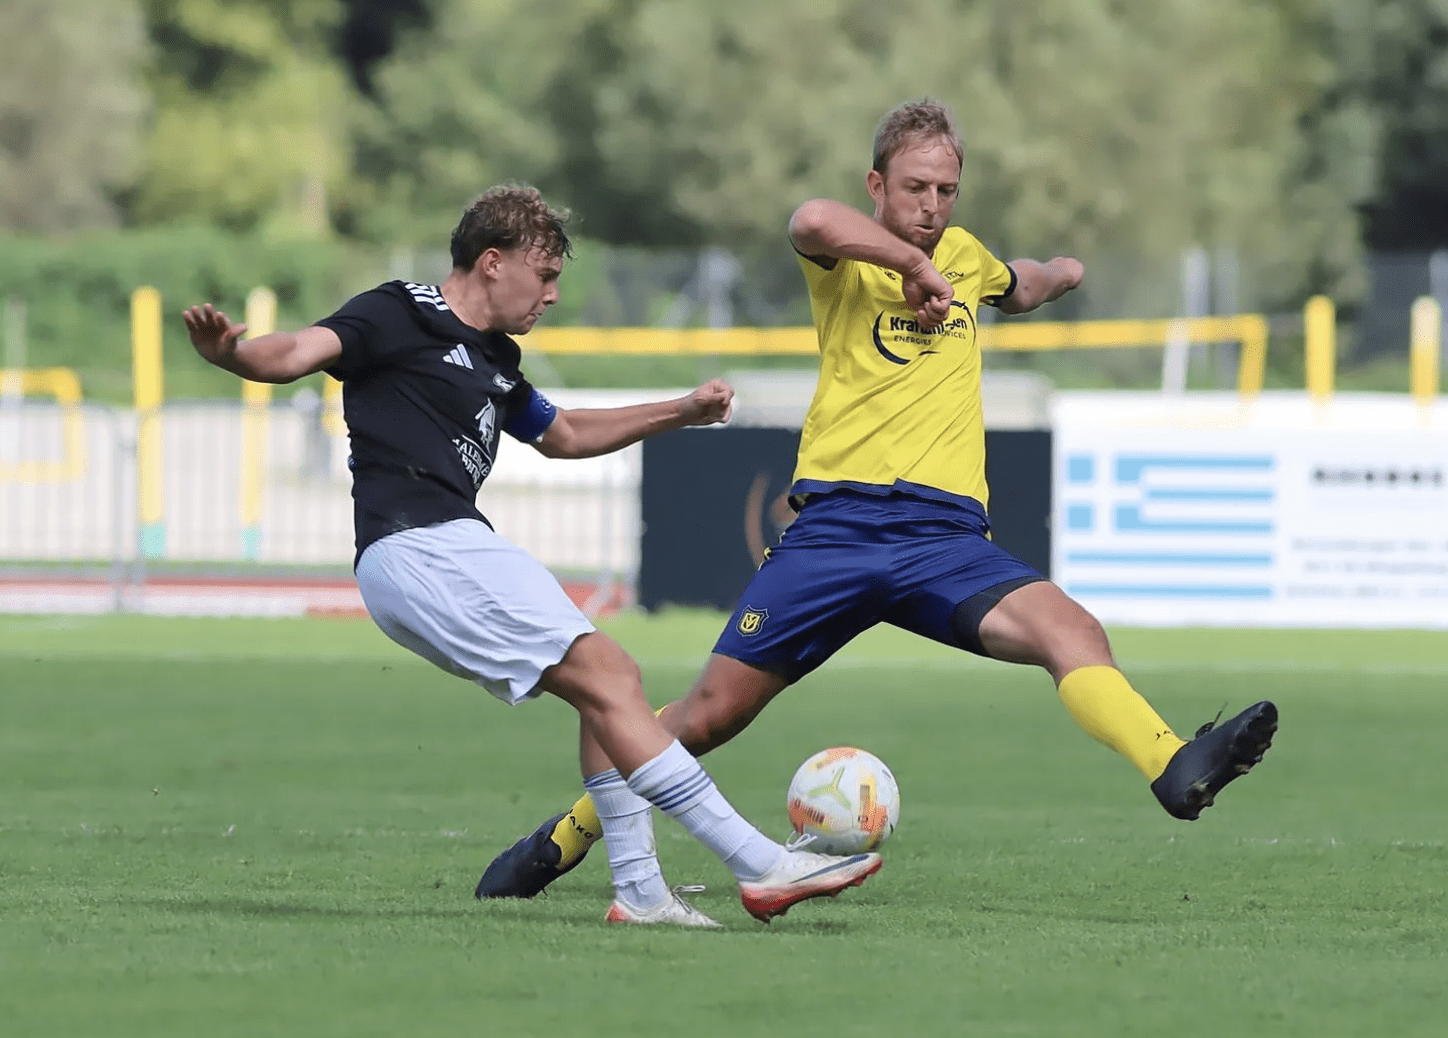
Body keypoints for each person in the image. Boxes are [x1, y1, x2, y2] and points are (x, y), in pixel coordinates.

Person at [477, 102, 1278, 900]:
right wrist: (913, 268)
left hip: (945, 538)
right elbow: (810, 218)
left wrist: (1062, 273)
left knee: (1073, 631)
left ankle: (1174, 764)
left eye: (947, 190)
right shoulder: (847, 259)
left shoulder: (965, 255)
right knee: (708, 716)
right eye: (916, 187)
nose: (932, 207)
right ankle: (567, 835)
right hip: (838, 530)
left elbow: (1019, 285)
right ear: (878, 185)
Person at [182, 185, 882, 928]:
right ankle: (759, 865)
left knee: (604, 685)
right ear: (492, 262)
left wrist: (680, 410)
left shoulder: (496, 358)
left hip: (455, 542)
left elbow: (565, 434)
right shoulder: (397, 310)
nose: (551, 294)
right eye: (543, 276)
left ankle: (642, 895)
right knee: (610, 674)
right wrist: (232, 353)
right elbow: (294, 351)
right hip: (416, 545)